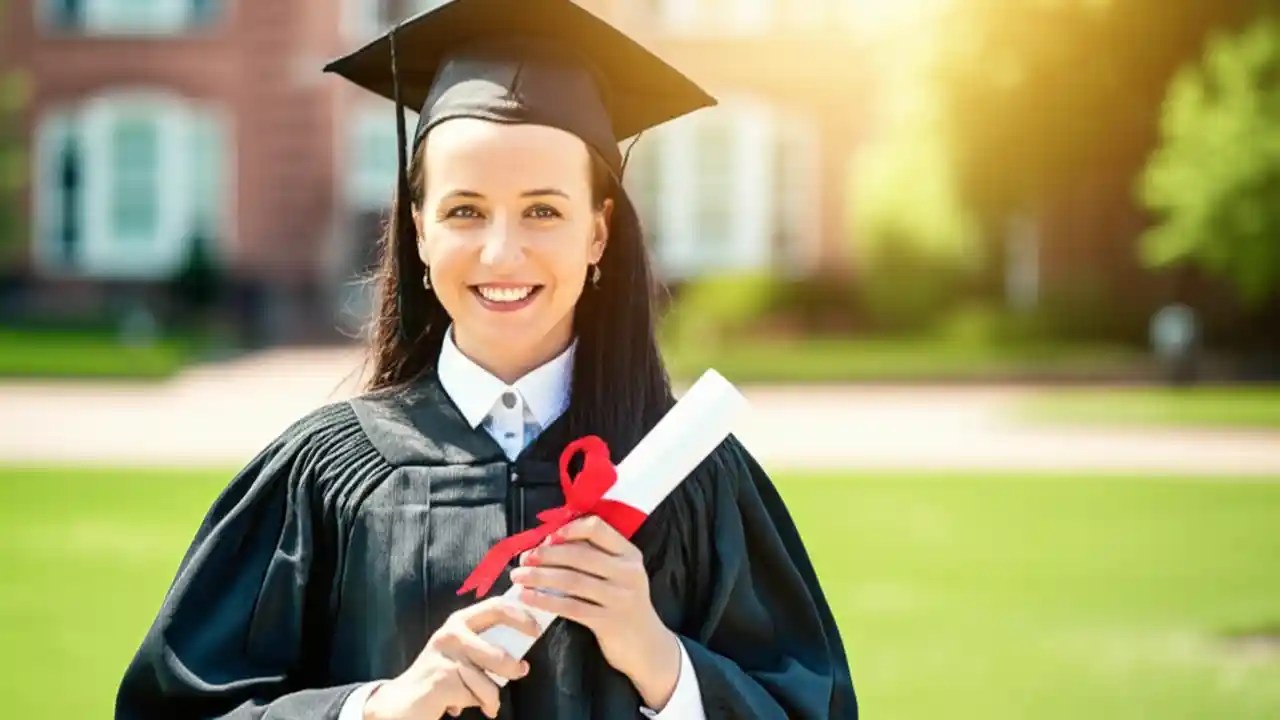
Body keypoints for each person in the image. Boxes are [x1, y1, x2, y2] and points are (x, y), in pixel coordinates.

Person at [115, 1, 857, 718]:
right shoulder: (324, 478)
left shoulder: (690, 480)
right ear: (419, 231)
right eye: (464, 210)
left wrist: (661, 662)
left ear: (598, 234)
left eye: (544, 210)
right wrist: (374, 710)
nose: (502, 253)